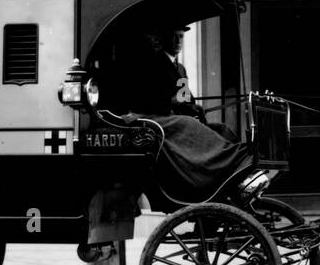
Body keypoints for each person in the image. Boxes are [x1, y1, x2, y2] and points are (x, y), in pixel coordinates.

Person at [100, 26, 267, 202]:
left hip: (172, 115)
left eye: (181, 37)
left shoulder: (179, 68)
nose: (178, 42)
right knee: (189, 125)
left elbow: (185, 96)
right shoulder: (153, 64)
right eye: (174, 37)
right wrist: (172, 102)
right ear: (163, 40)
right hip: (155, 116)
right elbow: (146, 99)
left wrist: (193, 107)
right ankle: (213, 175)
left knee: (222, 129)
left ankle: (236, 176)